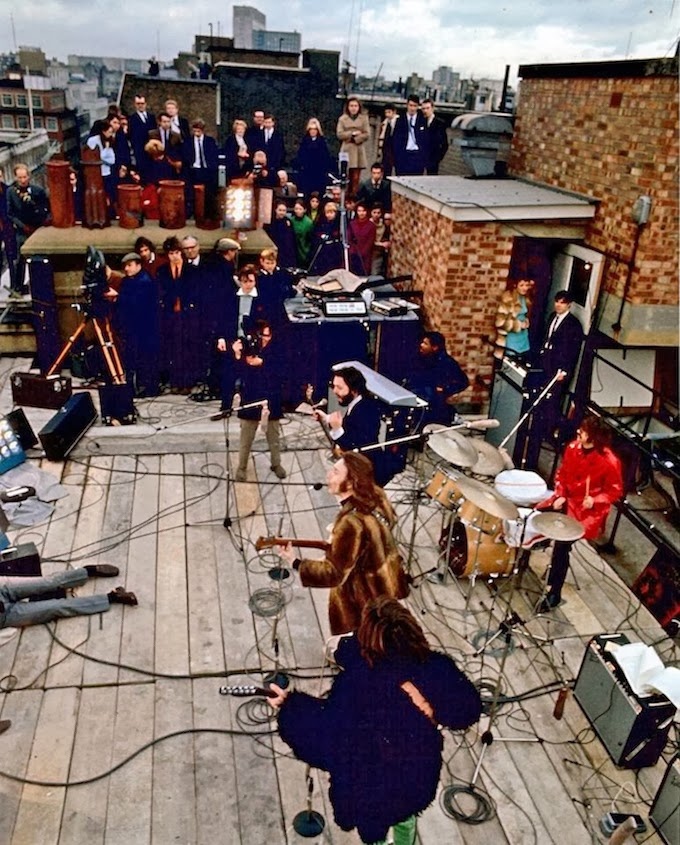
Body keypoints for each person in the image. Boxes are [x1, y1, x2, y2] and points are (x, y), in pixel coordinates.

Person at [269, 597, 481, 844]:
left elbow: (325, 740)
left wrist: (289, 705)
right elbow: (467, 709)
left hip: (369, 787)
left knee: (374, 829)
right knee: (406, 816)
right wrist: (431, 714)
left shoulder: (356, 684)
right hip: (416, 775)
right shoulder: (435, 667)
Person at [276, 456, 411, 634]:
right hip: (386, 583)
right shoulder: (376, 496)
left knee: (364, 639)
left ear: (350, 483)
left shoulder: (351, 523)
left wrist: (295, 562)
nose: (328, 474)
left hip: (365, 597)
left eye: (336, 472)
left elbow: (334, 574)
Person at [537, 416, 623, 610]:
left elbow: (614, 491)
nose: (579, 432)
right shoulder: (573, 447)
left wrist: (594, 499)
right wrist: (560, 494)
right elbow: (563, 474)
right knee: (534, 516)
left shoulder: (610, 462)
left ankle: (555, 592)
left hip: (586, 512)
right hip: (567, 499)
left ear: (593, 437)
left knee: (562, 546)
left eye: (583, 431)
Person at [522, 290, 584, 469]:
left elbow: (571, 350)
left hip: (558, 368)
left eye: (562, 303)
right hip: (546, 363)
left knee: (552, 401)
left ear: (569, 305)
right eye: (557, 302)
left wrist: (564, 370)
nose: (558, 305)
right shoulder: (552, 317)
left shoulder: (573, 326)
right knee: (540, 395)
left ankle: (549, 432)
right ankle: (538, 428)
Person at [228, 320, 287, 482]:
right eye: (263, 335)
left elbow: (282, 370)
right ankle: (241, 467)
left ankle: (276, 463)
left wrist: (264, 363)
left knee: (273, 436)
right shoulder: (249, 345)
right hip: (251, 396)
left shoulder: (277, 348)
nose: (265, 338)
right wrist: (238, 355)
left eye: (268, 335)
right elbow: (237, 372)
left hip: (271, 397)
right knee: (246, 437)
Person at [0, 564, 137, 629]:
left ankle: (87, 571)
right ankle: (112, 597)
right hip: (5, 615)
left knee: (47, 583)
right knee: (56, 607)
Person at [111, 252, 160, 397]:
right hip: (132, 327)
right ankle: (137, 386)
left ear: (138, 265)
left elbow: (136, 303)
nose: (127, 268)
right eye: (125, 266)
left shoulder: (145, 281)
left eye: (130, 265)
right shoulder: (128, 281)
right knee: (134, 358)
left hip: (144, 328)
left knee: (145, 359)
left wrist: (118, 297)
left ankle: (148, 388)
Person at [408, 332, 469, 426]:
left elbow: (463, 382)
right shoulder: (420, 359)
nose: (421, 345)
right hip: (421, 401)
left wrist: (446, 390)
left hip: (437, 407)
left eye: (425, 343)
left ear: (435, 347)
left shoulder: (447, 363)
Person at [7, 163, 50, 295]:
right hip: (22, 230)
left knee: (39, 257)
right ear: (16, 177)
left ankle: (40, 285)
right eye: (20, 177)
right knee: (20, 259)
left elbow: (46, 209)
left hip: (37, 228)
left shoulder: (38, 191)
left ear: (29, 176)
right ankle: (18, 287)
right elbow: (10, 213)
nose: (23, 180)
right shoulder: (12, 192)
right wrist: (22, 226)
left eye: (24, 177)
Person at [336, 97, 370, 198]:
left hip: (358, 150)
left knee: (355, 178)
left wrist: (357, 138)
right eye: (351, 106)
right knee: (345, 176)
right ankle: (344, 197)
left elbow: (367, 134)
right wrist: (352, 133)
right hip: (346, 149)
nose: (353, 108)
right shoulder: (342, 119)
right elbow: (339, 134)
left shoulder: (364, 119)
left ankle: (353, 197)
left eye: (355, 106)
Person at [493, 278, 534, 361]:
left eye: (526, 285)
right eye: (521, 285)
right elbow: (500, 322)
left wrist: (526, 320)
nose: (525, 288)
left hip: (522, 337)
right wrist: (518, 325)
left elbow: (524, 313)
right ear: (515, 285)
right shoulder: (508, 299)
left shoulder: (526, 298)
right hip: (511, 338)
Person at [293, 117, 335, 197]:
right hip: (307, 173)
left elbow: (325, 158)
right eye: (311, 129)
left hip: (319, 173)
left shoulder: (322, 142)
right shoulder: (304, 141)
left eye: (315, 129)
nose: (313, 131)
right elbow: (300, 156)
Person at [392, 95, 428, 176]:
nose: (412, 108)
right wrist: (396, 157)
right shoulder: (400, 120)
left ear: (418, 107)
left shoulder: (423, 120)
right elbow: (395, 140)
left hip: (417, 156)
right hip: (403, 156)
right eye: (410, 105)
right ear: (407, 105)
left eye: (415, 106)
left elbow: (426, 140)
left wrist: (423, 157)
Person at [347, 201, 376, 275]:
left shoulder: (371, 225)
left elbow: (370, 241)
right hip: (353, 255)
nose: (361, 213)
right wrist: (353, 251)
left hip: (365, 256)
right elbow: (349, 239)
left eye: (363, 211)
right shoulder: (352, 224)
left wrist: (362, 252)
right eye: (359, 211)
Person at [421, 99, 449, 175]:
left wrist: (438, 158)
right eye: (423, 108)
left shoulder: (440, 123)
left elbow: (444, 143)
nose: (425, 111)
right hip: (421, 157)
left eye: (427, 108)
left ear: (432, 108)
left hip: (432, 158)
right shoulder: (421, 122)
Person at [290, 199, 314, 268]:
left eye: (300, 209)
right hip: (293, 250)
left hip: (304, 250)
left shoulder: (308, 222)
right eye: (296, 209)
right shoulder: (291, 220)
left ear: (304, 210)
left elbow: (310, 239)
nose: (298, 211)